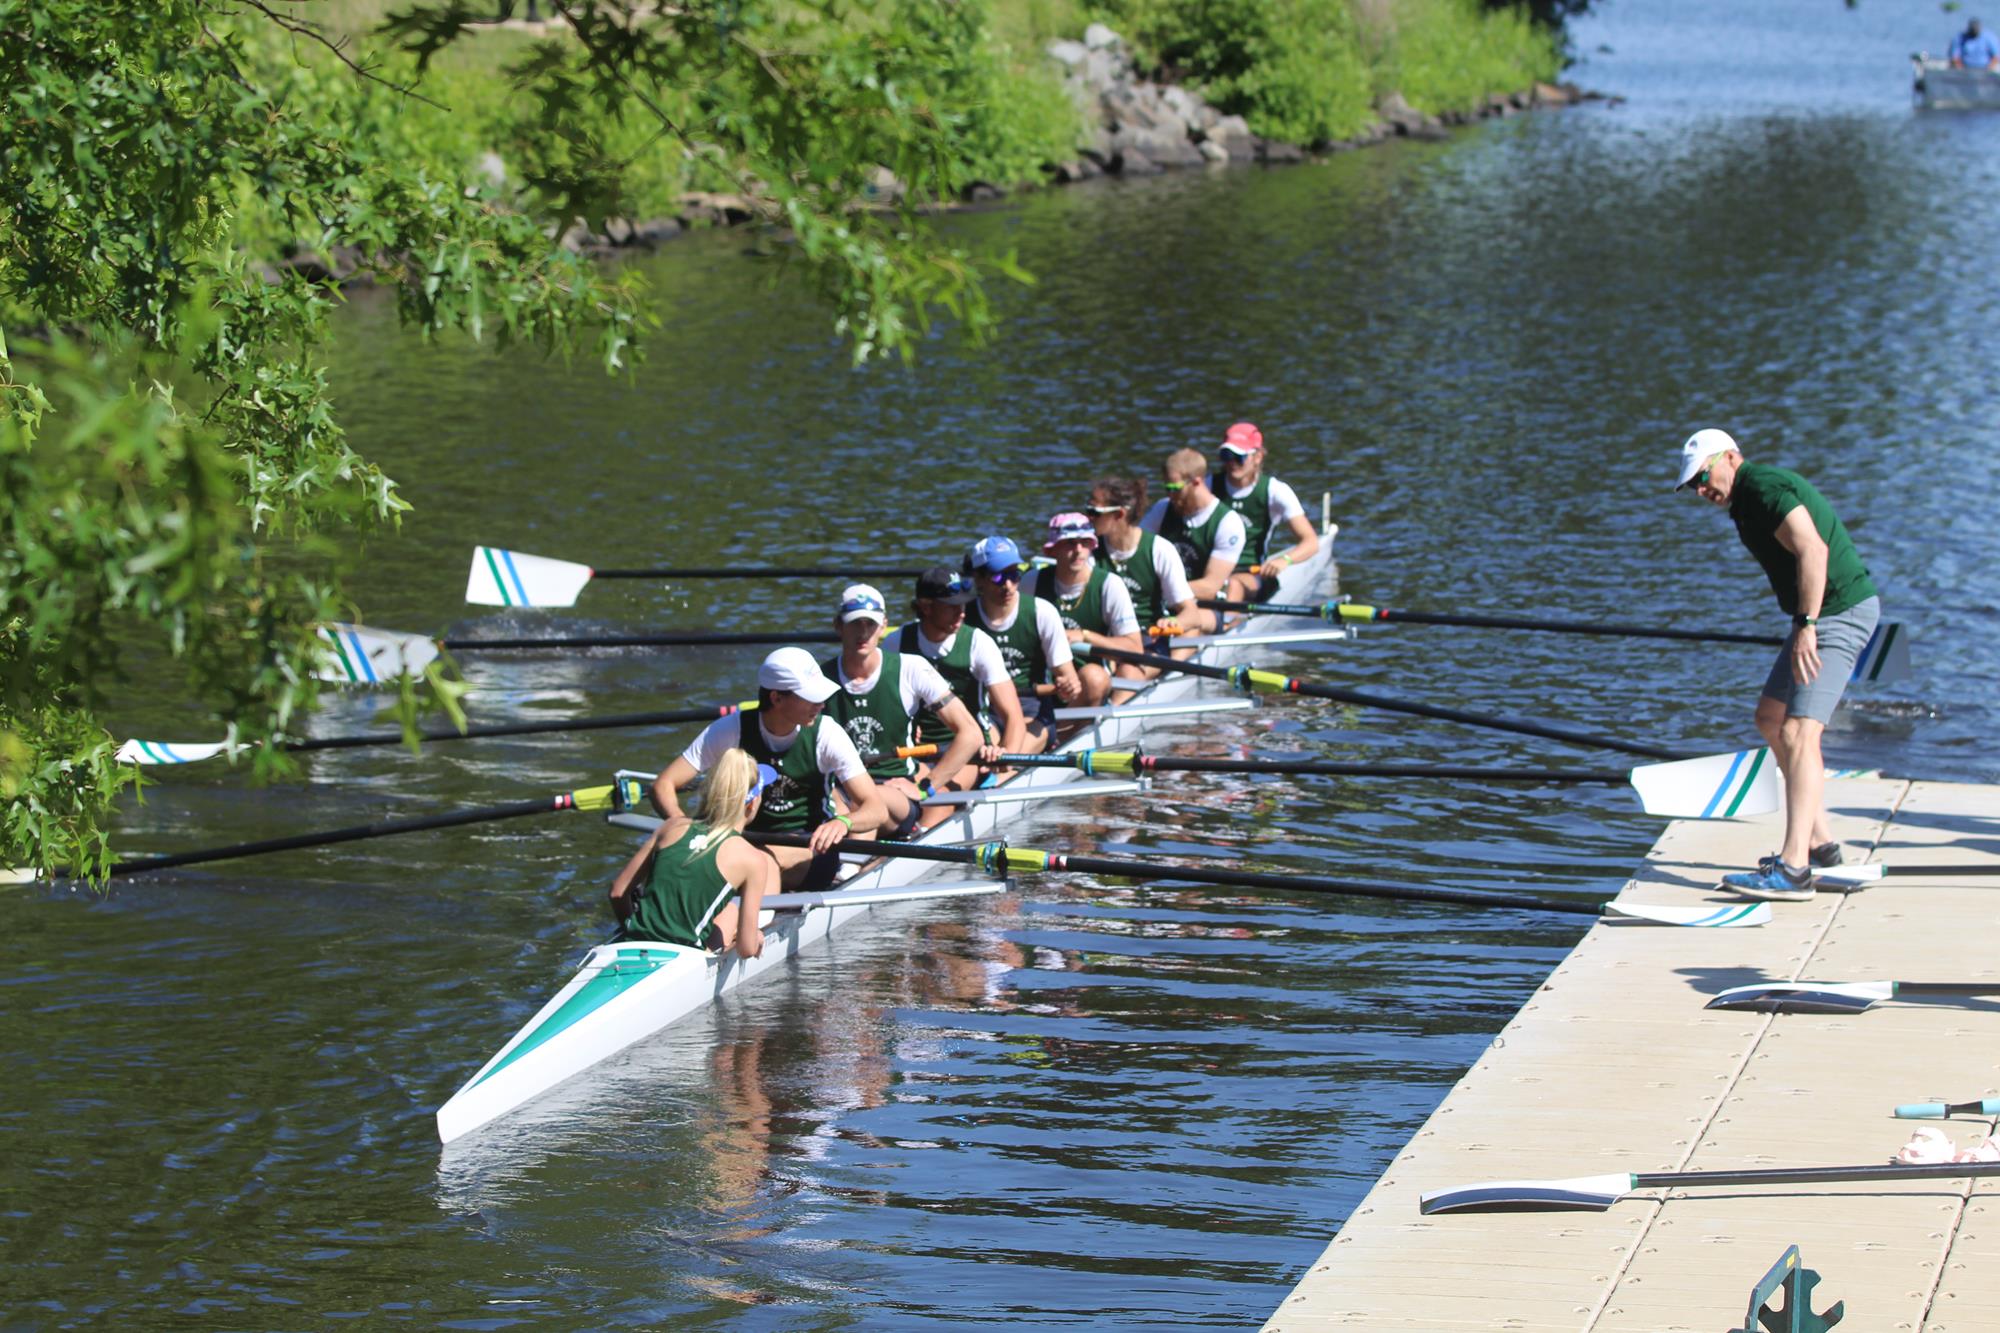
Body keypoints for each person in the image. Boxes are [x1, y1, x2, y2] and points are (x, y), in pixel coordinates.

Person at [1674, 428, 1882, 902]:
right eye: (1693, 486)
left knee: (1798, 733)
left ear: (1730, 457)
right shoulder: (1745, 500)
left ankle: (1793, 870)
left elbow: (1814, 549)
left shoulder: (1763, 489)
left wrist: (1806, 624)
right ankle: (1821, 844)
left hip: (1837, 613)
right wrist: (1805, 623)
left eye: (1703, 476)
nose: (1701, 490)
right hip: (1817, 617)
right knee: (1770, 719)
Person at [650, 646, 886, 890]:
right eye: (811, 697)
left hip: (810, 848)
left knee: (760, 861)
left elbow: (876, 808)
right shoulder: (730, 729)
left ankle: (753, 924)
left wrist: (843, 823)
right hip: (741, 841)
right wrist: (683, 827)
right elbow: (663, 785)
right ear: (776, 698)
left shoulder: (826, 733)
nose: (821, 704)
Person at [823, 583, 991, 835]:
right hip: (840, 789)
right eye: (855, 623)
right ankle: (851, 864)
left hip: (893, 788)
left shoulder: (911, 669)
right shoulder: (820, 680)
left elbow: (971, 734)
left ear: (883, 626)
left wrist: (927, 787)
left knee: (868, 801)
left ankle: (848, 868)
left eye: (870, 624)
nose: (863, 632)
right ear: (838, 626)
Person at [612, 749, 778, 957]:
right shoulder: (752, 859)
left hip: (634, 942)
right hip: (683, 956)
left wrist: (632, 927)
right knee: (737, 918)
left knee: (729, 910)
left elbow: (618, 892)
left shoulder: (672, 826)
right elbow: (746, 950)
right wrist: (755, 938)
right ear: (752, 804)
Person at [896, 565, 1030, 777]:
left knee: (929, 802)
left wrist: (1006, 754)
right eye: (951, 606)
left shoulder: (978, 643)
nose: (961, 613)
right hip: (917, 750)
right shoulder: (897, 643)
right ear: (926, 607)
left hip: (973, 751)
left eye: (963, 604)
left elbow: (1013, 716)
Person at [963, 535, 1081, 753]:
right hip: (984, 711)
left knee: (1004, 760)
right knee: (988, 756)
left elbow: (1068, 676)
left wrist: (1069, 686)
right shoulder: (962, 618)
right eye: (998, 577)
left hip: (1032, 712)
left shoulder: (1042, 612)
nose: (1008, 585)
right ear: (978, 579)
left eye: (1014, 575)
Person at [1086, 475, 1200, 681]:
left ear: (1119, 514)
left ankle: (1116, 707)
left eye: (1094, 512)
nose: (1088, 518)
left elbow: (1192, 614)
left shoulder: (1159, 550)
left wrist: (1173, 621)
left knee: (1128, 672)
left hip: (1148, 643)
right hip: (1105, 644)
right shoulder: (1087, 552)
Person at [1032, 511, 1142, 707]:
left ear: (1092, 546)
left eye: (1085, 543)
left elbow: (1135, 649)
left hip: (1091, 687)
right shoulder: (1031, 582)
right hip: (1045, 684)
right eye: (1070, 543)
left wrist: (1085, 635)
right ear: (1052, 550)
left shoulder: (1109, 585)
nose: (1078, 550)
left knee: (1093, 676)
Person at [1210, 422, 1320, 604]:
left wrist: (1284, 561)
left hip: (1249, 573)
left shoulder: (1275, 491)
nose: (1231, 463)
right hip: (1212, 572)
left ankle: (1227, 625)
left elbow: (1311, 542)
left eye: (1239, 456)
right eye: (1226, 455)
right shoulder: (1208, 486)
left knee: (1234, 585)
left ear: (1258, 457)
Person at [1141, 447, 1247, 633]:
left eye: (1174, 488)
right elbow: (1137, 547)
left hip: (1206, 606)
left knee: (1187, 625)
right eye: (1166, 488)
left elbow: (1209, 587)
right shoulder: (1163, 509)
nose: (1169, 494)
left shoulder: (1228, 523)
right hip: (1167, 600)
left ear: (1196, 482)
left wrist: (1159, 591)